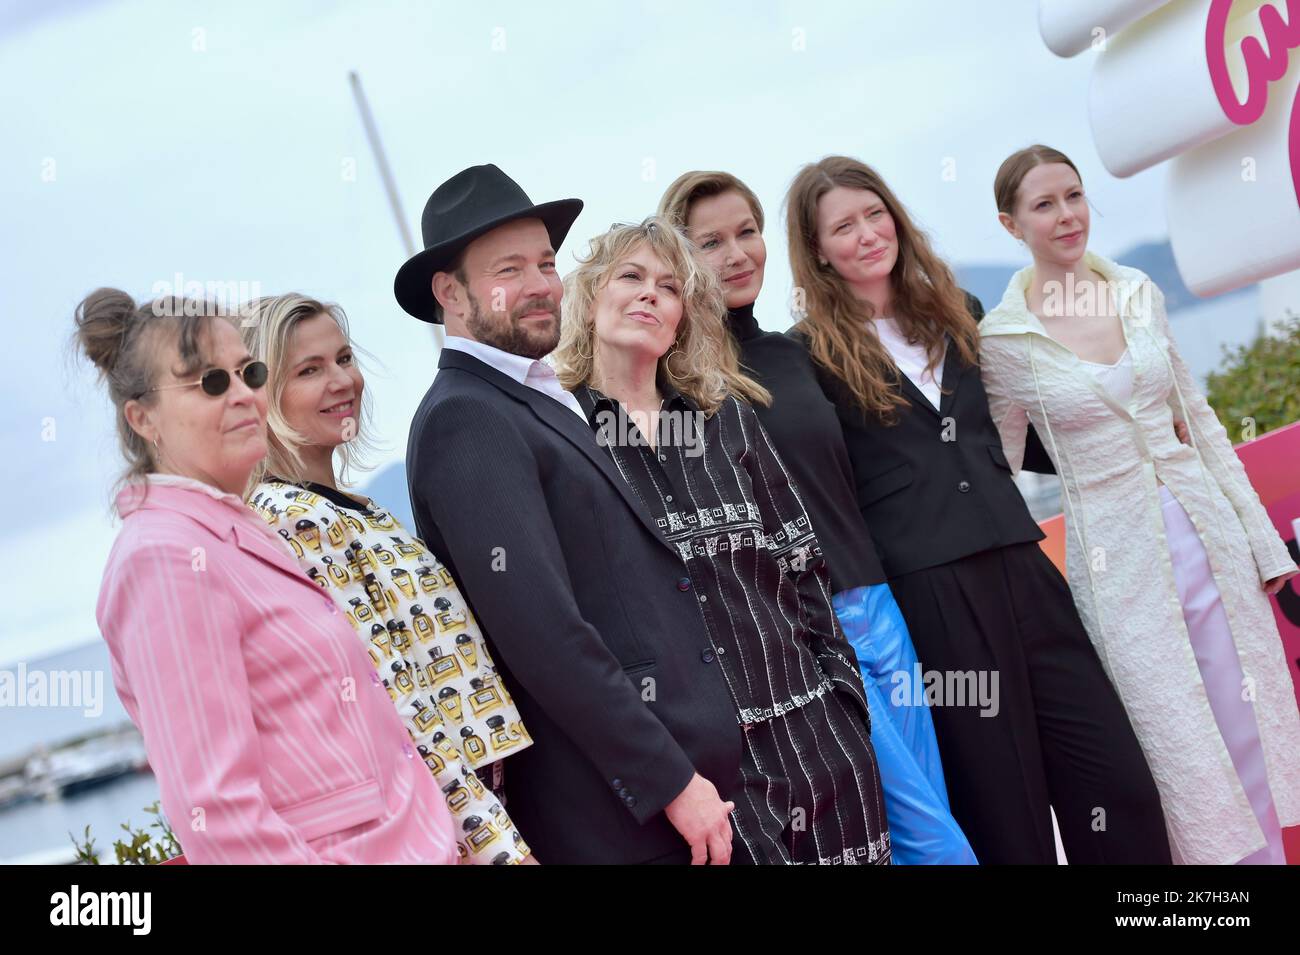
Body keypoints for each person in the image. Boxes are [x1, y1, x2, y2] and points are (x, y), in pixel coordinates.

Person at [784, 155, 1172, 864]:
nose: (868, 233)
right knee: (1006, 814)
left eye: (875, 214)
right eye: (844, 225)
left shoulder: (958, 309)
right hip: (931, 596)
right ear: (817, 250)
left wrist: (1135, 439)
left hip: (1025, 566)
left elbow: (1018, 434)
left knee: (1118, 784)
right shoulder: (806, 357)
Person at [396, 165, 740, 865]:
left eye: (547, 264)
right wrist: (671, 780)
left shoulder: (537, 395)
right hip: (620, 813)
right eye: (508, 269)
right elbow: (543, 632)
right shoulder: (465, 417)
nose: (538, 285)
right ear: (449, 292)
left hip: (677, 785)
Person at [979, 144, 1300, 865]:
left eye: (1074, 195)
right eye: (1044, 204)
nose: (1067, 216)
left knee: (1247, 719)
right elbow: (996, 468)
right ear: (1011, 225)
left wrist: (1260, 539)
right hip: (1116, 567)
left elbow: (1204, 421)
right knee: (1177, 746)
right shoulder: (1002, 341)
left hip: (1208, 532)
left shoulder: (1137, 290)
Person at [552, 217, 891, 864]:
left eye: (670, 286)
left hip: (819, 740)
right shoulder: (565, 437)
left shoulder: (723, 416)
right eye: (631, 277)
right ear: (590, 296)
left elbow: (802, 563)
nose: (651, 294)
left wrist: (845, 707)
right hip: (701, 782)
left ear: (684, 313)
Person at [657, 171, 973, 864]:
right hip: (809, 631)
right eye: (711, 241)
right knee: (931, 839)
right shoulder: (686, 386)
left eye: (748, 231)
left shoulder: (799, 353)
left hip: (883, 606)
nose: (738, 253)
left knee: (925, 814)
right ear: (679, 258)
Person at [76, 288, 456, 864]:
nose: (242, 396)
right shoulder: (164, 557)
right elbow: (219, 813)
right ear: (143, 417)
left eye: (247, 373)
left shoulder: (240, 533)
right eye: (208, 382)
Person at [242, 292, 538, 864]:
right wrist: (487, 838)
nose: (341, 381)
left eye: (343, 358)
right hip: (448, 821)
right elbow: (389, 694)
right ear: (263, 396)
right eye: (309, 370)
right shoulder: (292, 518)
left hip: (483, 794)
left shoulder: (354, 506)